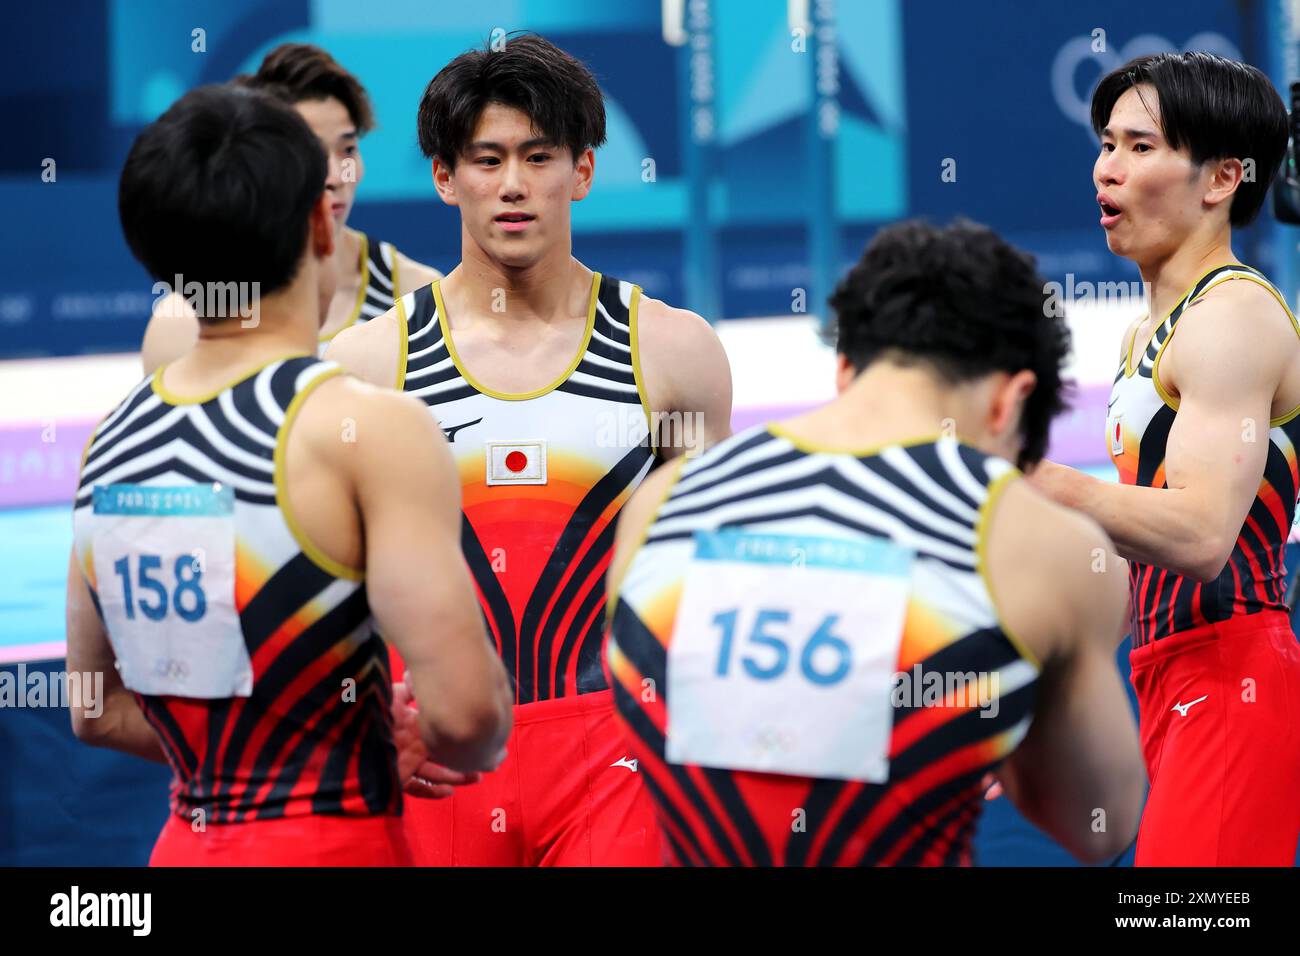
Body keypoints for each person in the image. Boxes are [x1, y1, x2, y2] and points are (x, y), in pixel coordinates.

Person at [605, 219, 1145, 866]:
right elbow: (1100, 826)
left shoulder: (660, 504)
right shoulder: (1040, 543)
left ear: (843, 366)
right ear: (1010, 403)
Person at [66, 83, 512, 866]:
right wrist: (363, 751)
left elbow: (94, 710)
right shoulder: (370, 429)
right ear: (319, 224)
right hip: (332, 843)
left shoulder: (109, 445)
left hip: (184, 844)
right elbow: (469, 718)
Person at [326, 33, 734, 865]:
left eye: (538, 156)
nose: (513, 186)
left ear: (583, 171)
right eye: (485, 160)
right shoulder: (363, 366)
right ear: (445, 177)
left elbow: (712, 570)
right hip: (435, 756)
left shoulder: (675, 353)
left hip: (617, 758)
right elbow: (331, 587)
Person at [1029, 52, 1300, 865]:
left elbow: (1200, 534)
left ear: (1222, 180)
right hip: (1163, 670)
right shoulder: (1147, 332)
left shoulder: (1234, 318)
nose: (1106, 170)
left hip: (1230, 673)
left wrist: (1034, 481)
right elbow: (1141, 537)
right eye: (1107, 144)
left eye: (1140, 148)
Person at [140, 43, 442, 371]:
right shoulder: (185, 324)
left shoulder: (417, 298)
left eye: (348, 149)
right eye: (308, 151)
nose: (333, 176)